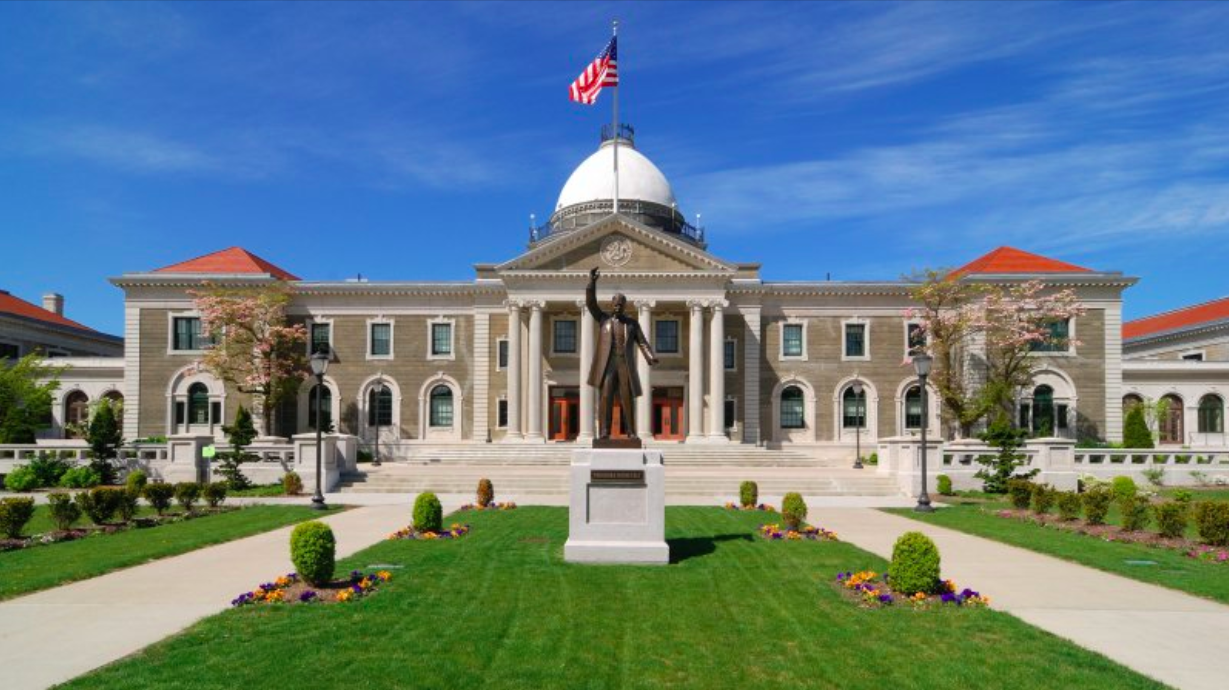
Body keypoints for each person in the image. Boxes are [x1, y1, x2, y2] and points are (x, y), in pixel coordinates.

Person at [586, 266, 658, 440]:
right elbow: (591, 303)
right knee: (606, 398)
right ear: (611, 305)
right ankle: (604, 431)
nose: (617, 306)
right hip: (607, 364)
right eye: (615, 304)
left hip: (624, 363)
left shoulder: (632, 324)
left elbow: (641, 341)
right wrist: (592, 283)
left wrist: (650, 356)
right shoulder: (603, 319)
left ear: (624, 306)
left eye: (620, 304)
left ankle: (631, 431)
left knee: (627, 398)